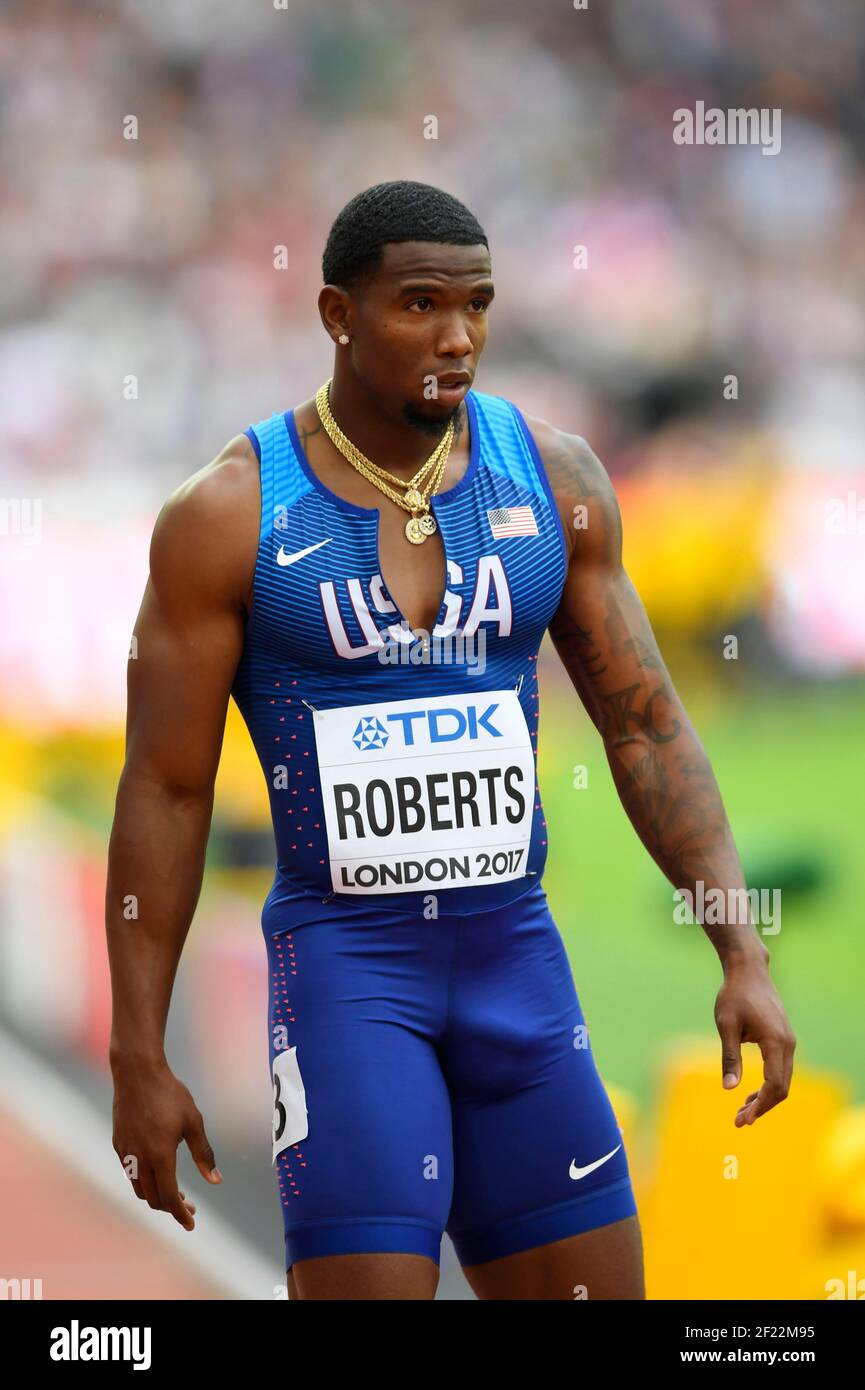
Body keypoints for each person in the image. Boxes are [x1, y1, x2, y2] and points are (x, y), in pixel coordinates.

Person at [106, 180, 795, 1301]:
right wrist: (140, 1052)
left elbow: (643, 723)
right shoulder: (229, 516)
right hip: (346, 976)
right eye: (419, 304)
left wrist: (740, 949)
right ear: (337, 314)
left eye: (477, 304)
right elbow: (167, 791)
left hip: (516, 964)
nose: (458, 336)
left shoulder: (554, 480)